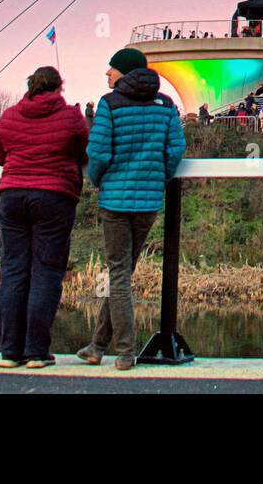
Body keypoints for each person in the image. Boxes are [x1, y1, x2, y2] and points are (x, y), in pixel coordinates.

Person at [78, 48, 187, 371]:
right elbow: (175, 149)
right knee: (122, 273)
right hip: (149, 200)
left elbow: (97, 152)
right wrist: (160, 176)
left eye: (111, 70)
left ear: (124, 73)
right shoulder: (166, 105)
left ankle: (125, 352)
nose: (107, 75)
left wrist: (99, 180)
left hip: (115, 200)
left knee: (118, 274)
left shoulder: (109, 104)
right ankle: (97, 346)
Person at [0, 66, 89, 369]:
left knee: (13, 270)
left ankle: (9, 351)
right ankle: (36, 351)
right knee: (46, 271)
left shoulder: (9, 116)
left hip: (13, 196)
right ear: (59, 87)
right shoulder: (72, 116)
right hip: (53, 197)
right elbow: (84, 153)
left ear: (30, 86)